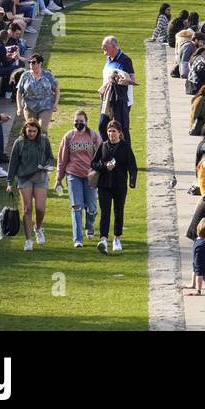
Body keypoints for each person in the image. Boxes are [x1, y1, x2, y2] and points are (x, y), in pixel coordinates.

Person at [6, 117, 55, 251]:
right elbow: (13, 164)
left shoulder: (44, 140)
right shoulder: (19, 143)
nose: (32, 133)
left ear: (38, 131)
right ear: (25, 130)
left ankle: (38, 228)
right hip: (24, 178)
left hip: (40, 176)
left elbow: (50, 157)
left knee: (40, 208)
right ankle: (28, 240)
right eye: (29, 131)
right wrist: (9, 182)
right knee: (27, 209)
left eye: (34, 131)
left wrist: (48, 166)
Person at [56, 110, 101, 247]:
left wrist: (101, 171)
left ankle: (89, 226)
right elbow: (62, 159)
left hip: (90, 175)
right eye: (76, 121)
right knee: (76, 206)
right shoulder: (69, 137)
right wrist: (59, 178)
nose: (78, 123)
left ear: (86, 122)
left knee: (92, 207)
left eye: (81, 121)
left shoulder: (93, 136)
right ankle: (78, 239)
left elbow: (101, 154)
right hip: (73, 175)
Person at [90, 120, 136, 253]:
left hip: (120, 184)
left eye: (114, 131)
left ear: (120, 133)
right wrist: (104, 166)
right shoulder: (103, 146)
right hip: (104, 184)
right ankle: (103, 239)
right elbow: (93, 163)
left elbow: (132, 165)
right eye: (109, 131)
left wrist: (132, 180)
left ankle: (117, 238)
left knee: (118, 211)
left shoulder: (125, 147)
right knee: (105, 212)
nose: (111, 134)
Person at [98, 36, 135, 143]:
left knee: (121, 128)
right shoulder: (108, 59)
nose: (102, 47)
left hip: (120, 101)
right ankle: (107, 148)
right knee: (102, 126)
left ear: (114, 47)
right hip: (107, 100)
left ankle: (124, 152)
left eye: (105, 46)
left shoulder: (125, 60)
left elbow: (132, 79)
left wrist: (118, 78)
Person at [15, 53, 60, 134]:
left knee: (42, 130)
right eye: (29, 62)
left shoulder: (48, 75)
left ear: (40, 63)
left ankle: (44, 146)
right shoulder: (25, 75)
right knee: (31, 131)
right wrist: (19, 107)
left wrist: (55, 104)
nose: (31, 64)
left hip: (46, 106)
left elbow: (57, 90)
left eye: (33, 62)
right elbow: (19, 92)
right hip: (29, 107)